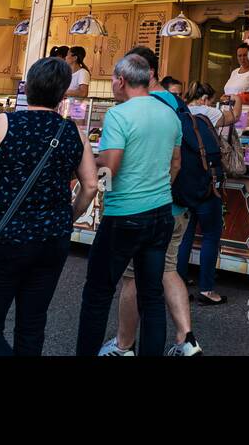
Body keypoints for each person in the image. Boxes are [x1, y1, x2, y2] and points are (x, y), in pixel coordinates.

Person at [0, 57, 99, 356]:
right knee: (32, 323)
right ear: (63, 94)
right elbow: (91, 186)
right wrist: (68, 217)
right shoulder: (72, 132)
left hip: (4, 237)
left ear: (28, 86)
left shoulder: (2, 123)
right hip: (52, 240)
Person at [99, 47, 206, 356]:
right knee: (169, 270)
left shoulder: (130, 110)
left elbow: (111, 164)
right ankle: (186, 340)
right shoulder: (174, 104)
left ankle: (123, 345)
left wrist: (102, 191)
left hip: (142, 208)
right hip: (174, 206)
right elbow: (174, 161)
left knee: (131, 279)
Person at [75, 53, 182, 357]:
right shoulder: (169, 114)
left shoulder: (118, 115)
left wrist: (84, 164)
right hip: (161, 213)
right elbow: (176, 163)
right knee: (151, 296)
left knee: (97, 295)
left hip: (124, 216)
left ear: (121, 81)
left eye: (111, 79)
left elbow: (110, 166)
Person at [176, 81, 232, 305]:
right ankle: (207, 289)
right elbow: (233, 117)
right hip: (207, 185)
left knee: (185, 236)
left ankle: (178, 285)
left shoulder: (178, 116)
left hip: (185, 185)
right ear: (205, 98)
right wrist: (233, 103)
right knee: (210, 236)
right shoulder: (209, 113)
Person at [224, 42, 249, 132]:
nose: (242, 58)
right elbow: (228, 92)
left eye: (245, 55)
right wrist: (225, 97)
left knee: (241, 142)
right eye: (239, 56)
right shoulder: (234, 72)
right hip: (228, 114)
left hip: (245, 114)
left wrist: (239, 98)